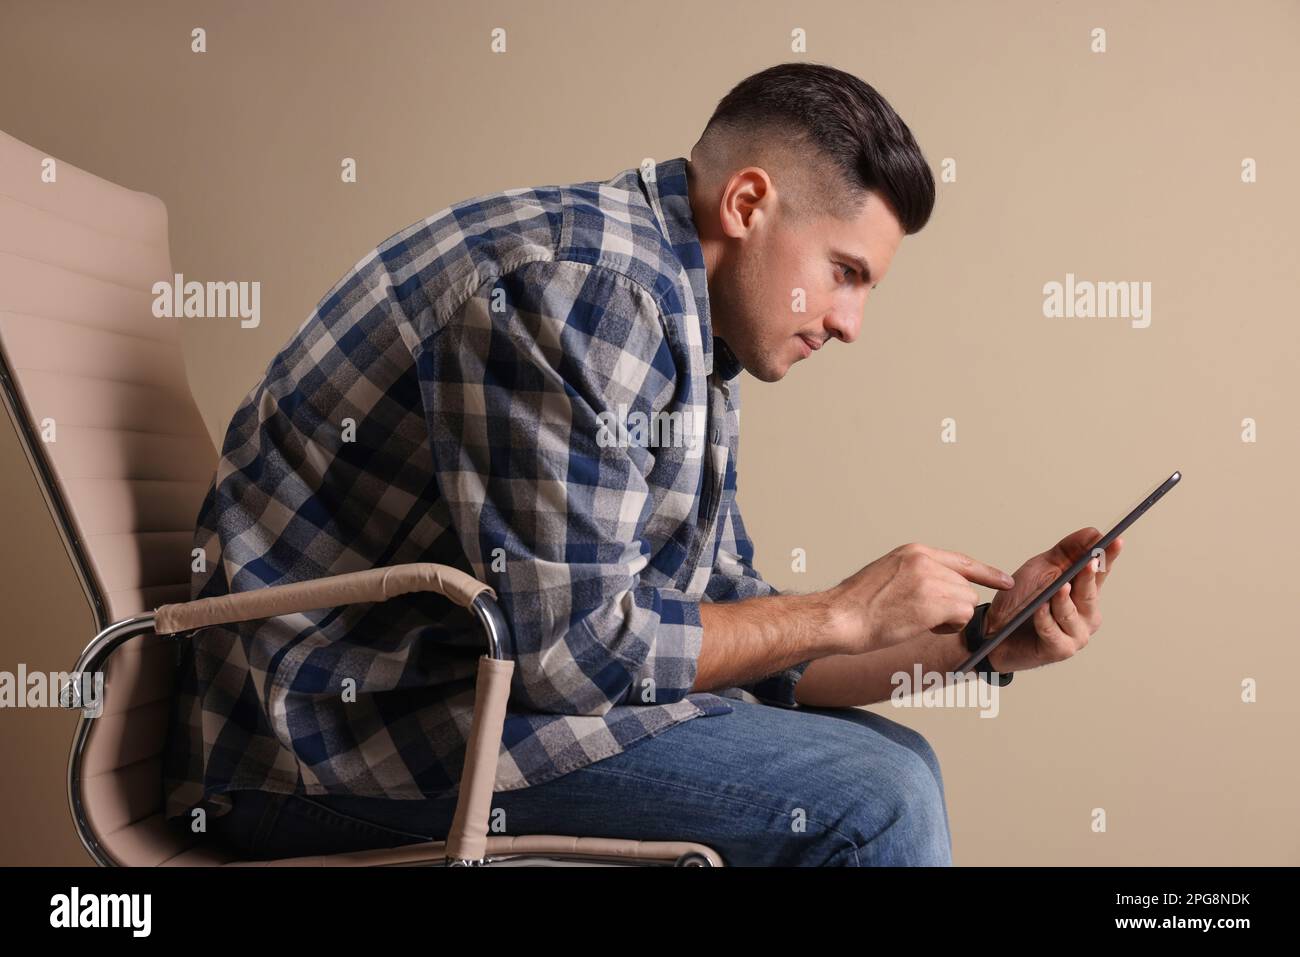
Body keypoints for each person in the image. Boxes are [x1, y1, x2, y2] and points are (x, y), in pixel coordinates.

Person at [165, 62, 1120, 867]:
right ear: (748, 202)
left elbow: (747, 647)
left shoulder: (684, 327)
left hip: (448, 709)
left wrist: (987, 636)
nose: (850, 324)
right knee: (877, 795)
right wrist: (842, 608)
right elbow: (576, 654)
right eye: (846, 271)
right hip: (323, 748)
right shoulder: (583, 292)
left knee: (893, 761)